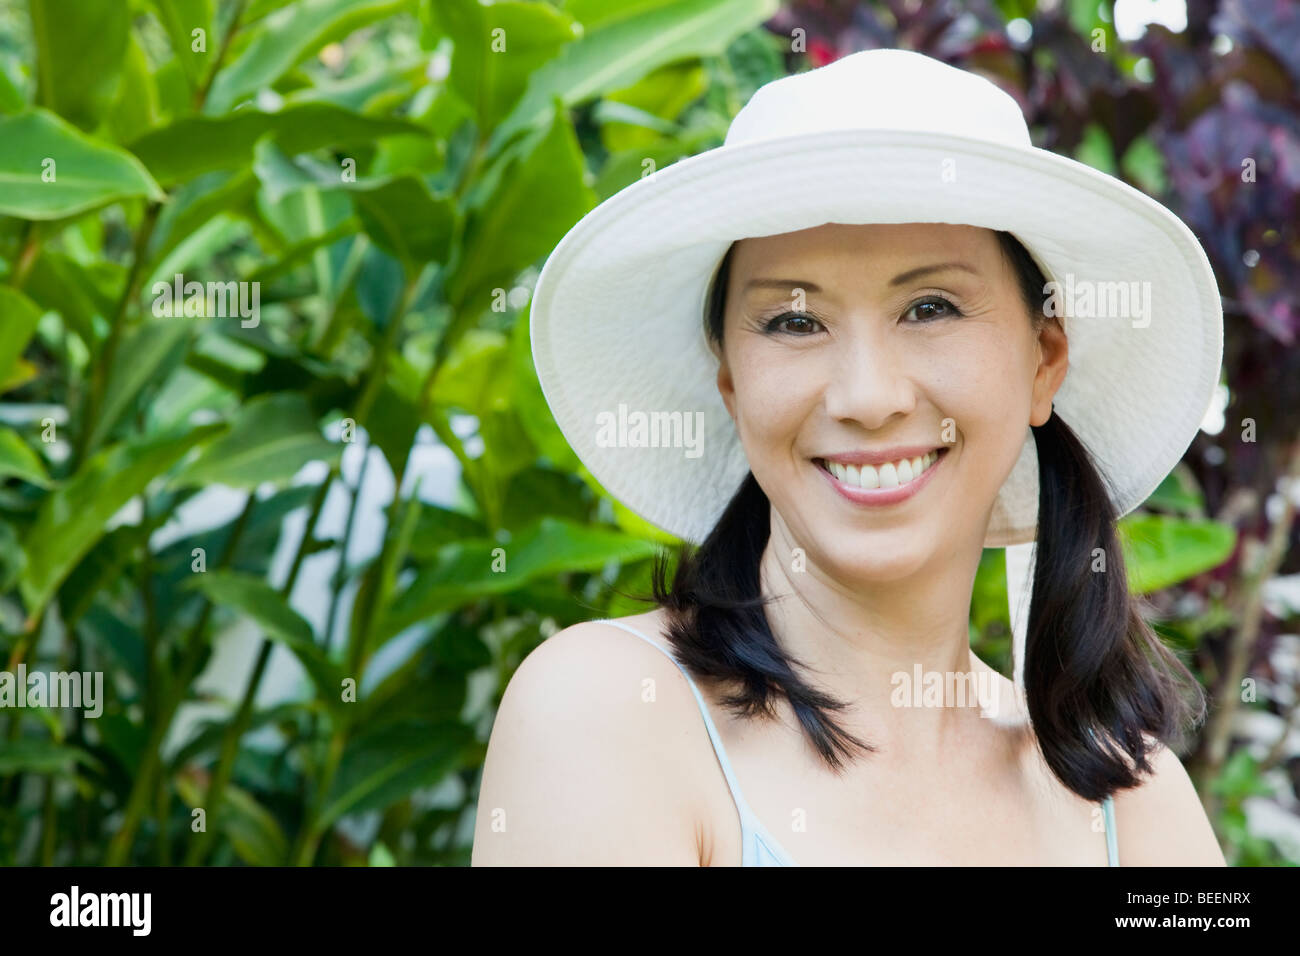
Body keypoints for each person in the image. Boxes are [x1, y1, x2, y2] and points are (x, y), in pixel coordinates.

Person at [472, 48, 1227, 866]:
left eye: (930, 307)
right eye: (794, 322)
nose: (867, 396)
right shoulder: (612, 711)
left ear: (1044, 360)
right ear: (730, 379)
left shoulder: (1130, 803)